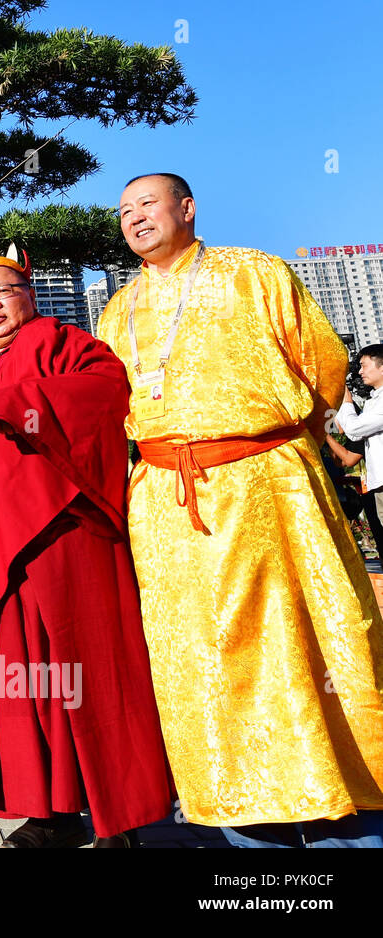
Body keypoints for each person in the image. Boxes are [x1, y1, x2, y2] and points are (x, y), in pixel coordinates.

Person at [99, 172, 383, 847]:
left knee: (305, 644)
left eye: (148, 203)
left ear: (187, 208)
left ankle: (344, 814)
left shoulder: (256, 273)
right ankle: (240, 816)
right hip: (167, 502)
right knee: (202, 657)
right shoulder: (115, 310)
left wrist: (275, 445)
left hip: (268, 487)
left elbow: (324, 368)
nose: (135, 217)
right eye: (123, 210)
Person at [0, 252, 174, 847]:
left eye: (3, 291)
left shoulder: (65, 343)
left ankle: (121, 819)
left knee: (92, 671)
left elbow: (105, 394)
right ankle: (48, 811)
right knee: (18, 678)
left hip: (63, 537)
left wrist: (15, 404)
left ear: (29, 294)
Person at [335, 346, 383, 558]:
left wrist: (345, 398)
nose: (360, 372)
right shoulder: (374, 401)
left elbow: (353, 430)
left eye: (364, 366)